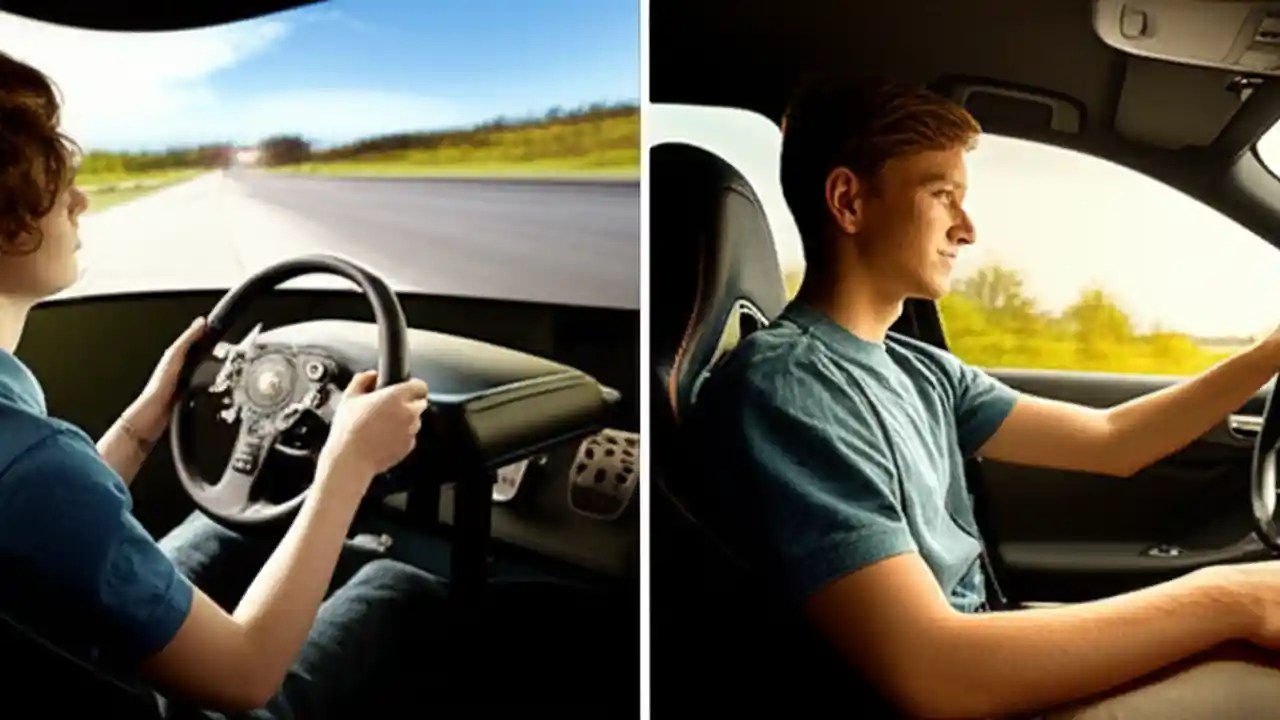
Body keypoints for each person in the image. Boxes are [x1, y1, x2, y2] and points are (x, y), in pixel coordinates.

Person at [687, 74, 1280, 719]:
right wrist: (1231, 598)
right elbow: (935, 671)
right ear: (848, 202)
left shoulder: (921, 370)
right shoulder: (793, 387)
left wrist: (1266, 356)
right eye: (943, 195)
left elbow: (1116, 441)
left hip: (983, 649)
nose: (966, 230)